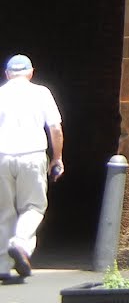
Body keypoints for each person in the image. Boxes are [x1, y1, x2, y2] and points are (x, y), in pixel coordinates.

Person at [0, 55, 63, 279]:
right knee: (34, 206)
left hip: (2, 156)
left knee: (3, 211)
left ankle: (2, 267)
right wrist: (57, 158)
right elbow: (55, 128)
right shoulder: (41, 93)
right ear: (30, 72)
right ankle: (20, 243)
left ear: (7, 74)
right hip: (32, 155)